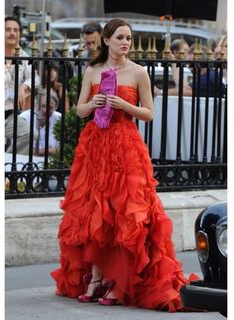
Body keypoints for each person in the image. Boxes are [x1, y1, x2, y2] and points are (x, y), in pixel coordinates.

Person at [51, 18, 198, 311]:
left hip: (126, 145)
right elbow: (80, 110)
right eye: (120, 37)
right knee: (95, 210)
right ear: (106, 40)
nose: (125, 43)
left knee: (123, 212)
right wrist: (94, 104)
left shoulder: (139, 72)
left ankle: (120, 281)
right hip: (95, 145)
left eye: (129, 38)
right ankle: (95, 277)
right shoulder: (92, 71)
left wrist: (124, 106)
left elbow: (148, 113)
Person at [5, 16, 40, 155]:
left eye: (16, 30)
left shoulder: (23, 56)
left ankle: (6, 164)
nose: (12, 33)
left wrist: (24, 86)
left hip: (9, 116)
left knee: (31, 134)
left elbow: (35, 78)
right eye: (8, 30)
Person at [20, 90, 61, 156]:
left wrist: (44, 151)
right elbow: (20, 147)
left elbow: (63, 149)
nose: (45, 110)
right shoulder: (24, 118)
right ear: (36, 105)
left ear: (55, 108)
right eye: (43, 106)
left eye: (50, 108)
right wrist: (51, 150)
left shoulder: (59, 119)